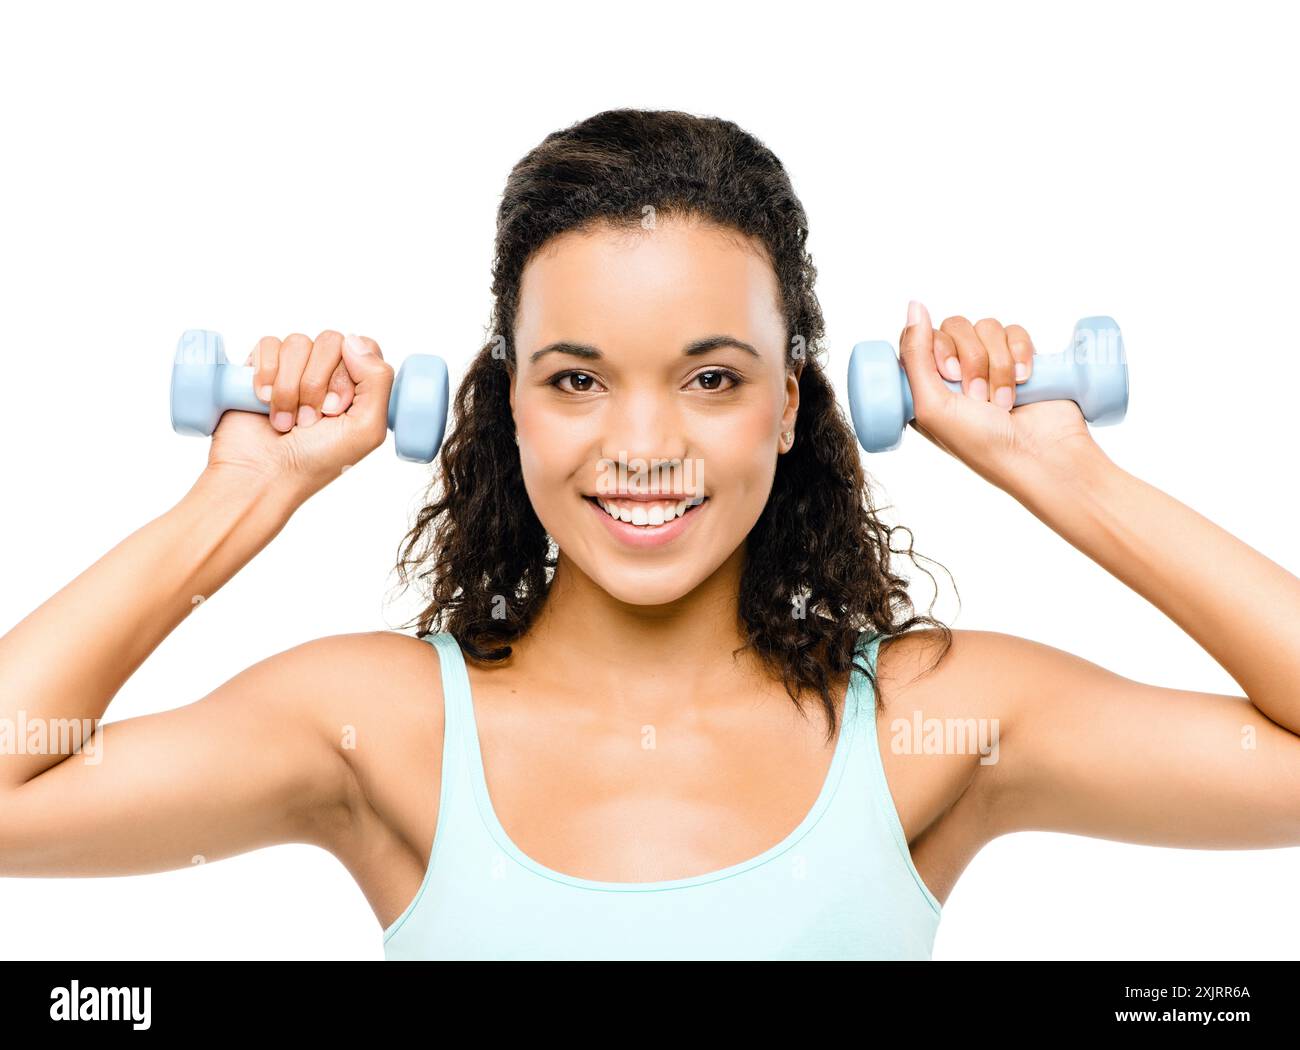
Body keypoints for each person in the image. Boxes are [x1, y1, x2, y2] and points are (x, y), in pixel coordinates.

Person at [4, 109, 1299, 961]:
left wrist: (1058, 470)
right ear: (505, 399)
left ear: (789, 403)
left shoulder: (922, 725)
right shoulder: (378, 728)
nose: (642, 443)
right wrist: (239, 496)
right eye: (576, 378)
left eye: (711, 377)